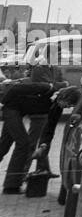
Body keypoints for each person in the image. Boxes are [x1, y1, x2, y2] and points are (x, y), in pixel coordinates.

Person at [0, 65, 55, 194]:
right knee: (23, 143)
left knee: (4, 144)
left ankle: (10, 185)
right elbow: (15, 89)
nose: (67, 106)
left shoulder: (57, 106)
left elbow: (50, 129)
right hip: (10, 109)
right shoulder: (46, 88)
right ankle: (11, 186)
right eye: (68, 103)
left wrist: (43, 145)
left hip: (19, 112)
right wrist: (1, 104)